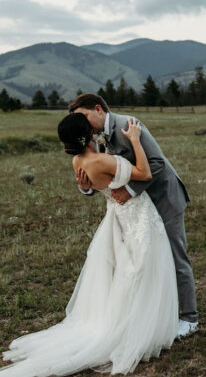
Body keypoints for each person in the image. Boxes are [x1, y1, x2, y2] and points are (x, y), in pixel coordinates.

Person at [0, 114, 177, 377]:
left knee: (125, 271)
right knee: (139, 270)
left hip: (116, 218)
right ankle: (134, 325)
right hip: (136, 218)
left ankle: (127, 317)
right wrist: (134, 141)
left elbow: (97, 183)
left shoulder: (78, 162)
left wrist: (86, 184)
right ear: (89, 134)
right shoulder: (100, 161)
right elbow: (145, 173)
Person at [69, 94, 198, 339]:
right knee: (139, 261)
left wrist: (129, 191)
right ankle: (154, 312)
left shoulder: (129, 124)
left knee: (176, 257)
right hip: (136, 211)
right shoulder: (92, 138)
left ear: (98, 109)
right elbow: (103, 176)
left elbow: (157, 163)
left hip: (163, 199)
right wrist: (85, 187)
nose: (83, 124)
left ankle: (190, 318)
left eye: (84, 117)